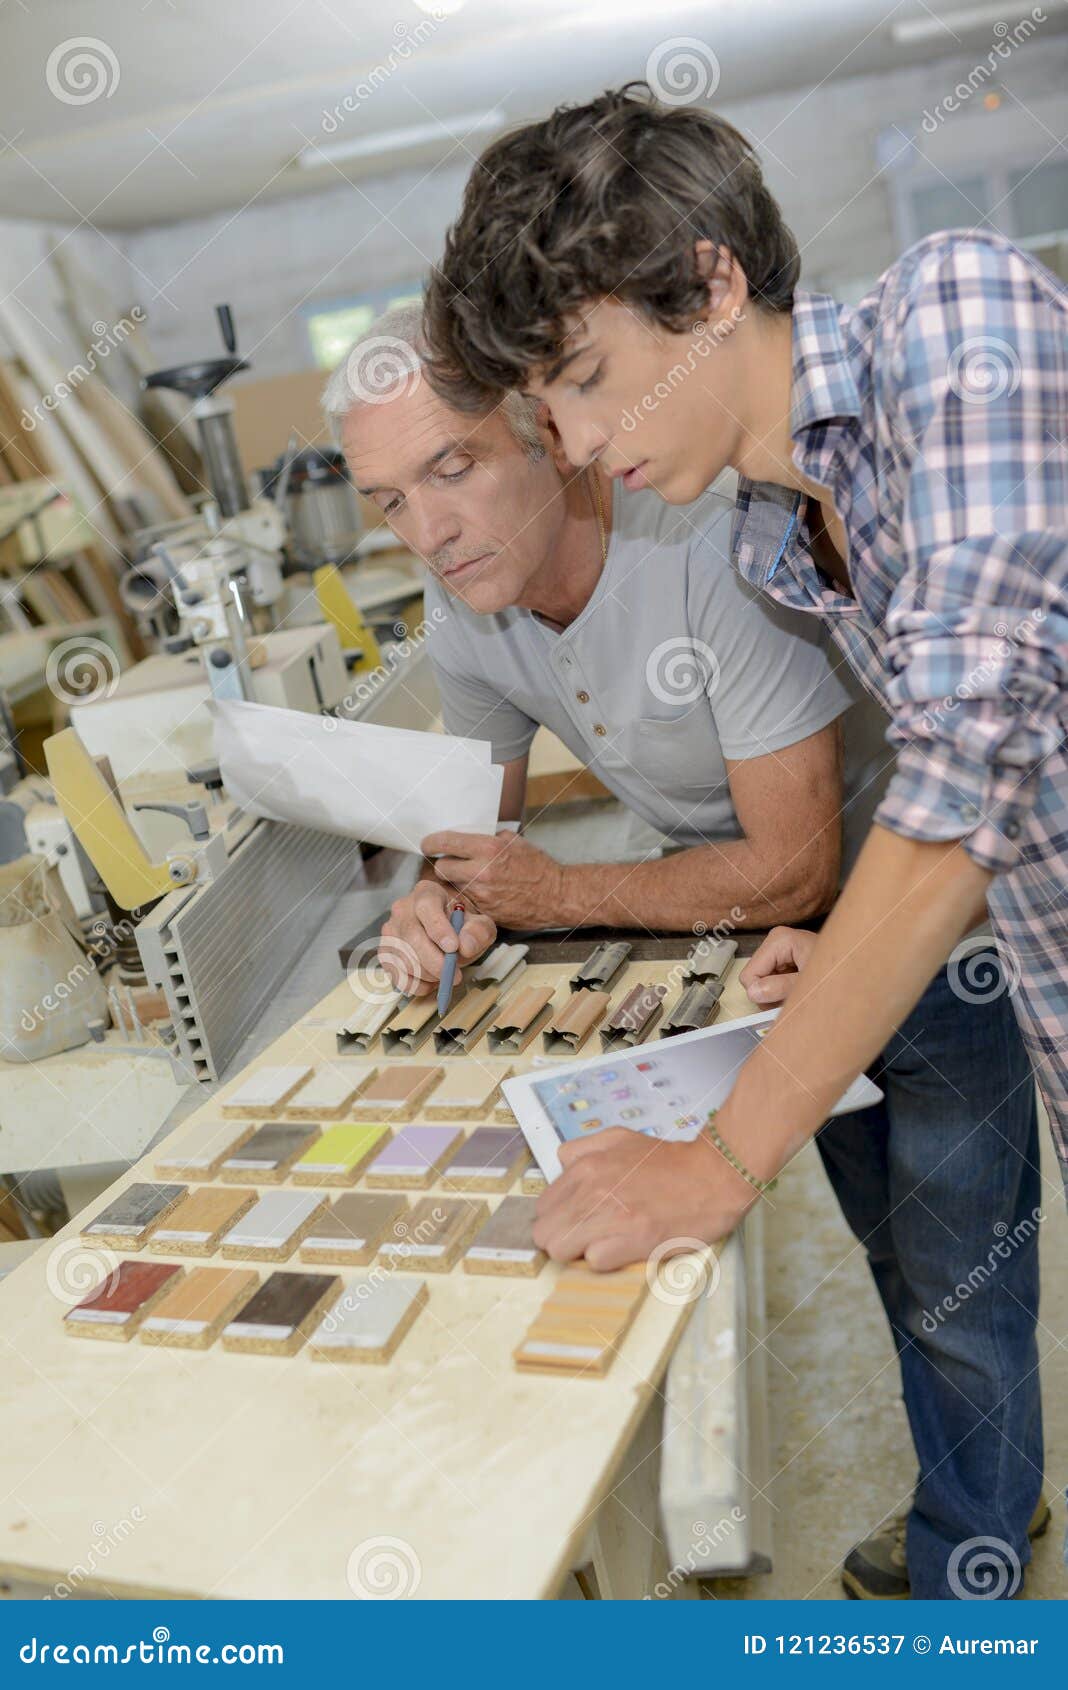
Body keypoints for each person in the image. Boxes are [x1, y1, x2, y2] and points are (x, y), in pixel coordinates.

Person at [419, 85, 1058, 1598]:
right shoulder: (786, 530)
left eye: (584, 377)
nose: (572, 441)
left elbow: (962, 780)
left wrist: (718, 1160)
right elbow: (1023, 785)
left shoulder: (951, 322)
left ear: (710, 284)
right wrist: (861, 945)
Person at [325, 303, 888, 997]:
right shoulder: (463, 595)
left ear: (548, 433)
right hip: (737, 929)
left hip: (918, 902)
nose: (428, 534)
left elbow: (793, 871)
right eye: (390, 502)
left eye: (454, 470)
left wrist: (560, 893)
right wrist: (436, 904)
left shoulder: (709, 537)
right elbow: (470, 843)